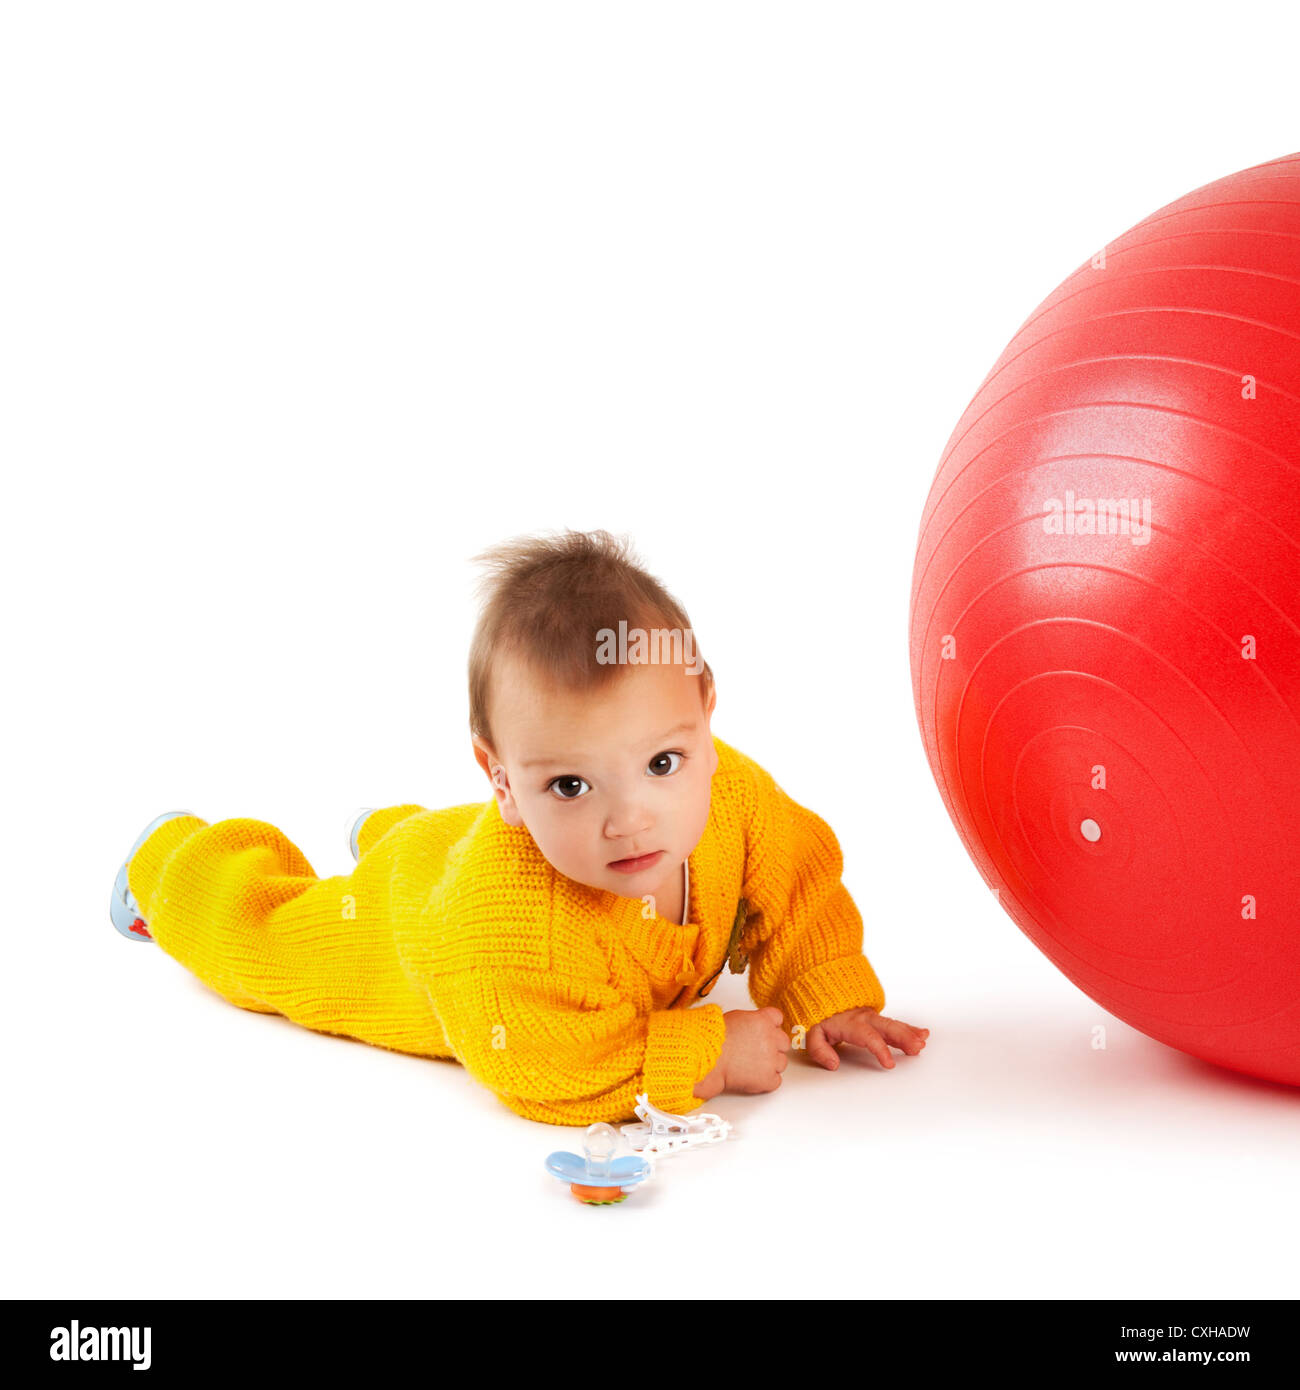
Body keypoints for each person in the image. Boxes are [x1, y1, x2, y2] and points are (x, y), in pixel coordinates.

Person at [110, 529, 928, 1125]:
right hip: (412, 934)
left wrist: (829, 996)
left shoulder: (733, 794)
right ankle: (175, 862)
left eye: (662, 764)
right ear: (500, 777)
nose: (629, 817)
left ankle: (397, 833)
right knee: (276, 940)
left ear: (704, 715)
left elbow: (798, 885)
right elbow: (543, 1068)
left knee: (433, 845)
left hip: (463, 845)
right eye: (571, 783)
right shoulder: (510, 942)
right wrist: (705, 1057)